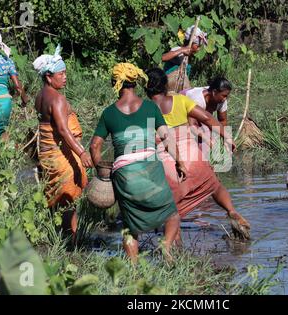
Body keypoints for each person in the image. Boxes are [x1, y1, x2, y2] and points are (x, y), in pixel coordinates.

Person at [89, 63, 186, 263]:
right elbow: (166, 138)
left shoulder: (108, 113)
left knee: (129, 226)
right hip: (150, 168)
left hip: (124, 174)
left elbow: (94, 147)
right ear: (135, 82)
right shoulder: (150, 107)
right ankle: (165, 247)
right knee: (172, 214)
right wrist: (180, 162)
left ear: (115, 83)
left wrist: (102, 170)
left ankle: (133, 268)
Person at [145, 68, 250, 243]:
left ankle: (175, 255)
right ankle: (232, 211)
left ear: (146, 89)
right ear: (165, 85)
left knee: (172, 212)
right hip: (193, 158)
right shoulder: (181, 100)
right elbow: (209, 119)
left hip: (168, 166)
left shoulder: (144, 108)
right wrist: (227, 138)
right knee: (214, 186)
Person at [33, 45, 94, 240]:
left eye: (65, 72)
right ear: (49, 77)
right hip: (60, 155)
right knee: (68, 195)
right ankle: (71, 237)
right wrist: (81, 152)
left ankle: (57, 232)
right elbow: (62, 130)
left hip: (46, 152)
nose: (65, 76)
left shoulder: (40, 95)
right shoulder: (57, 99)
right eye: (61, 73)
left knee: (54, 192)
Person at [181, 77, 232, 157]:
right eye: (224, 96)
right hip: (182, 110)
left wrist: (224, 139)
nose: (225, 99)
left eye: (227, 96)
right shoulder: (197, 99)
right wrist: (207, 139)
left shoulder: (221, 101)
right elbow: (192, 126)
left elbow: (223, 121)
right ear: (214, 92)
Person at [162, 25, 207, 93]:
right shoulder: (178, 50)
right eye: (197, 46)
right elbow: (163, 57)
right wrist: (181, 50)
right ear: (191, 43)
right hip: (169, 85)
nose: (198, 49)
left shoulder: (189, 56)